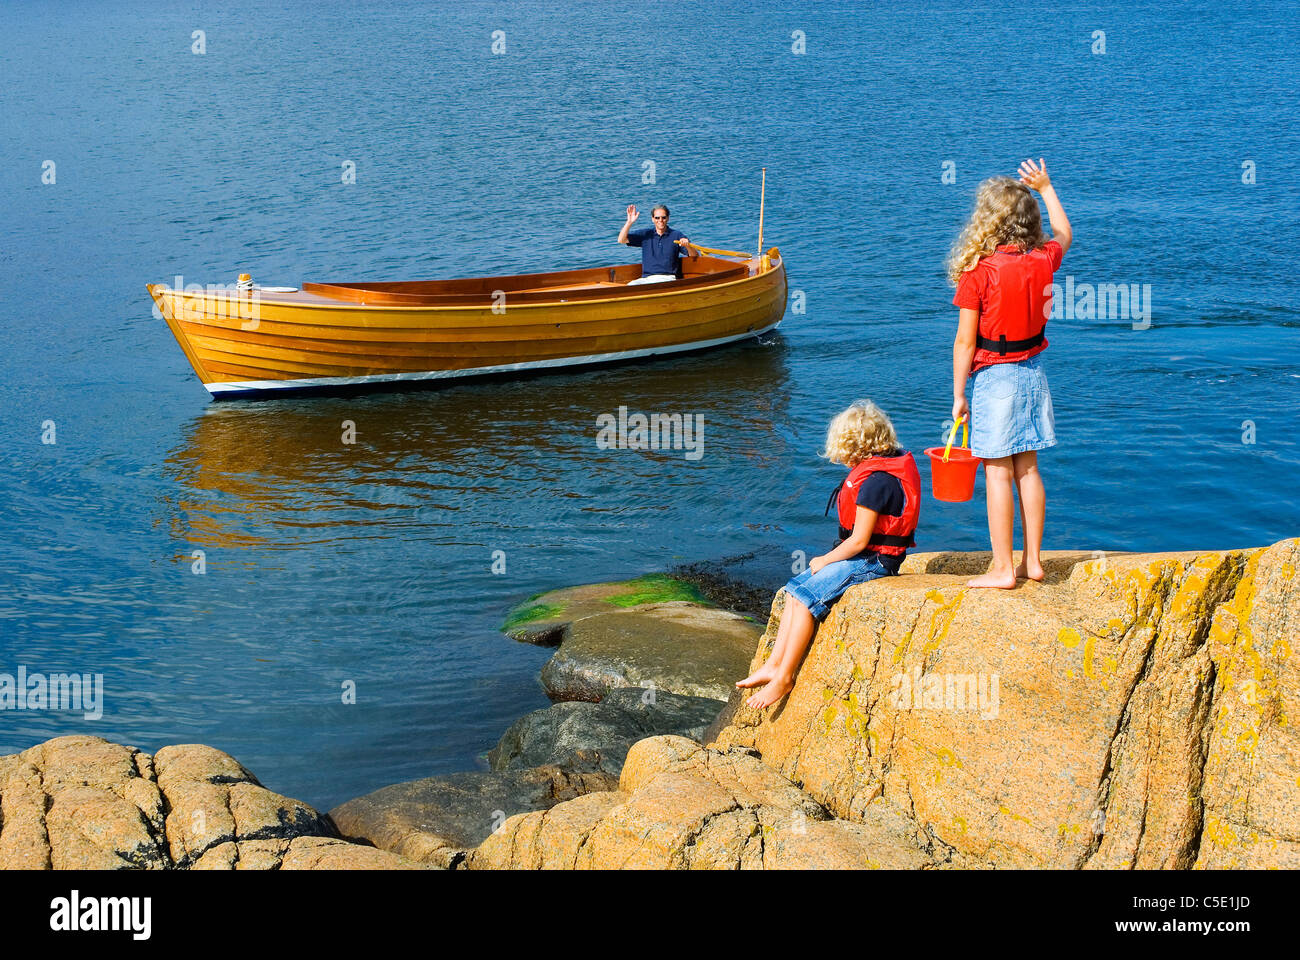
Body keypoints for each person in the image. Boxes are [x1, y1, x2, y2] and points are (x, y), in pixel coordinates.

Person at [737, 401, 920, 709]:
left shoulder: (876, 483)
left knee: (807, 599)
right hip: (865, 555)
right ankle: (773, 664)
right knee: (794, 591)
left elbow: (860, 540)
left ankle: (784, 676)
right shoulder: (880, 470)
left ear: (853, 447)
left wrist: (825, 559)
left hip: (875, 562)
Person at [949, 159, 1072, 589]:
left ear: (987, 221)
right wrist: (1047, 187)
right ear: (1029, 220)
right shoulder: (1043, 258)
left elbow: (965, 342)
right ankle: (1032, 561)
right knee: (1029, 469)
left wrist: (959, 394)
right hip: (1033, 374)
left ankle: (1003, 568)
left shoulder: (978, 272)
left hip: (995, 378)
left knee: (997, 472)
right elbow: (1065, 235)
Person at [618, 204, 697, 284]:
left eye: (663, 217)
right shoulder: (645, 234)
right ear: (652, 219)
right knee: (629, 286)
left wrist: (688, 246)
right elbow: (621, 240)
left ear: (668, 218)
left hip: (667, 278)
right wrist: (629, 222)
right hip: (646, 278)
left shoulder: (676, 235)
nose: (660, 220)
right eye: (657, 218)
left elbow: (694, 256)